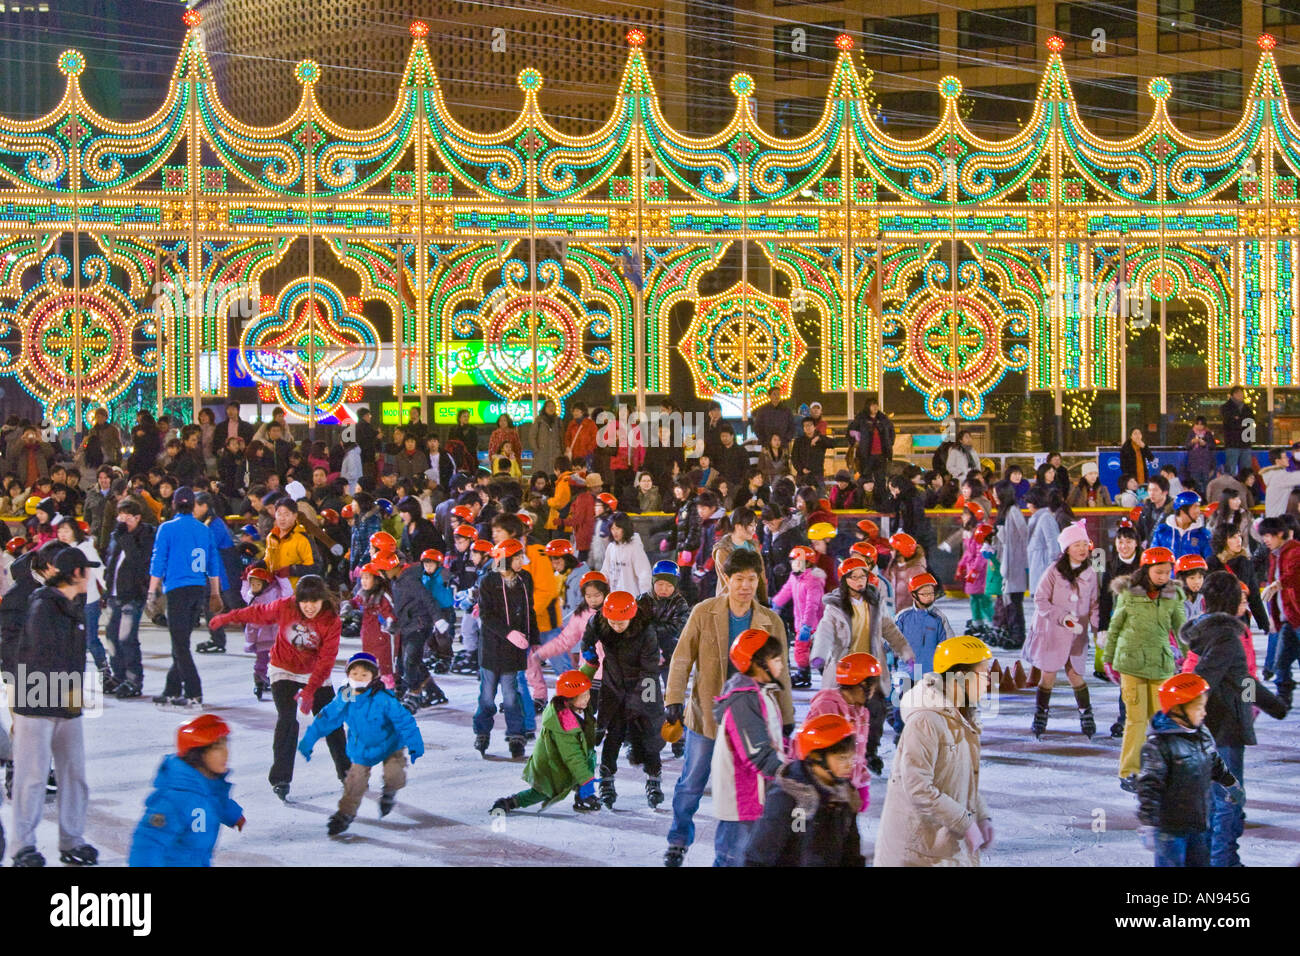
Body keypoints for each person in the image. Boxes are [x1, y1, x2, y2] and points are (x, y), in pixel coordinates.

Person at [663, 548, 791, 867]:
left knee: (746, 791)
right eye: (738, 579)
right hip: (706, 715)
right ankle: (678, 838)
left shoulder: (770, 620)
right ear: (726, 579)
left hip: (750, 720)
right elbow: (681, 657)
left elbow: (782, 671)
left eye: (751, 579)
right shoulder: (704, 612)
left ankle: (739, 852)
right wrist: (674, 699)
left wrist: (787, 719)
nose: (745, 586)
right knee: (692, 782)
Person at [210, 575, 350, 801]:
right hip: (283, 669)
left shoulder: (331, 620)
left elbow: (326, 660)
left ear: (323, 600)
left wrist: (311, 690)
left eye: (315, 601)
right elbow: (256, 613)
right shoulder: (286, 606)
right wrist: (227, 617)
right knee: (287, 720)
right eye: (305, 601)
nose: (309, 607)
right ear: (298, 600)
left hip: (314, 673)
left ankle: (347, 773)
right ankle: (281, 778)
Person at [1181, 571, 1288, 866]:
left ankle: (1216, 858)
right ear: (1228, 600)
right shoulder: (1227, 637)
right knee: (1229, 798)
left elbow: (1241, 681)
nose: (1246, 601)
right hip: (1224, 727)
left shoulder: (1212, 632)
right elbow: (1205, 679)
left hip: (1214, 728)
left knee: (1218, 797)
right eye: (1241, 597)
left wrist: (1275, 706)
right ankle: (1223, 860)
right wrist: (1275, 705)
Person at [8, 547, 100, 867]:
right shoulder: (44, 605)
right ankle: (23, 846)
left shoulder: (75, 605)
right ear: (76, 573)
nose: (90, 575)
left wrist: (76, 701)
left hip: (67, 700)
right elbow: (35, 656)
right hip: (39, 701)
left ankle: (72, 840)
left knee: (74, 774)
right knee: (32, 776)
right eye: (86, 570)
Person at [874, 636, 995, 867]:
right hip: (916, 852)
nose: (988, 683)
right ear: (960, 678)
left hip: (943, 847)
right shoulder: (925, 721)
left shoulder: (961, 718)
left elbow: (960, 778)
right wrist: (966, 822)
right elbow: (918, 788)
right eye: (984, 675)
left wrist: (981, 815)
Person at [298, 652, 425, 835]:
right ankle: (344, 815)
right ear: (348, 675)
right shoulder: (346, 697)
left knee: (395, 774)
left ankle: (389, 793)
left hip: (389, 745)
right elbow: (326, 718)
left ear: (373, 677)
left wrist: (415, 744)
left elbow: (404, 721)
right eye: (354, 674)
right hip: (362, 748)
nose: (358, 679)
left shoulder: (383, 698)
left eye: (364, 675)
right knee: (355, 783)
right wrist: (308, 741)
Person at [1135, 673, 1243, 867]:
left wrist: (1231, 783)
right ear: (1178, 709)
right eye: (1199, 707)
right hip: (1169, 830)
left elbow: (1213, 761)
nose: (1204, 713)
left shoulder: (1201, 733)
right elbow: (1149, 787)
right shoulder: (1159, 745)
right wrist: (1149, 824)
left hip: (1198, 823)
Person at [1104, 546, 1186, 791]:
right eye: (1159, 572)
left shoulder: (1173, 594)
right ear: (1147, 569)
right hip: (1131, 663)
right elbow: (1115, 626)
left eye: (1167, 572)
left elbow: (1181, 630)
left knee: (1161, 720)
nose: (1163, 576)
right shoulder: (1129, 593)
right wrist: (1108, 659)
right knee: (1136, 720)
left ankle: (1157, 767)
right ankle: (1129, 771)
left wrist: (1191, 657)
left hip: (1161, 665)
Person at [580, 590, 665, 809]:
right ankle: (606, 780)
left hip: (643, 683)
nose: (616, 626)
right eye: (613, 622)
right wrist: (588, 651)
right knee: (614, 732)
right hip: (613, 684)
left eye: (621, 622)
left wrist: (640, 704)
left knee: (649, 732)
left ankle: (654, 779)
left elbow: (650, 670)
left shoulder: (646, 632)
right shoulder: (599, 622)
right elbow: (587, 638)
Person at [744, 713, 864, 866]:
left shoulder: (844, 793)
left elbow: (851, 848)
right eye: (841, 758)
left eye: (851, 757)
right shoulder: (790, 797)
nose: (849, 764)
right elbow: (760, 853)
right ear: (816, 757)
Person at [710, 628, 787, 866]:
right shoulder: (744, 699)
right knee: (732, 858)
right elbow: (757, 753)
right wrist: (789, 775)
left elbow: (771, 739)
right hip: (741, 797)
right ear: (757, 664)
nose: (782, 665)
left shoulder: (760, 693)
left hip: (755, 794)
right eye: (776, 660)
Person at [128, 715, 245, 866]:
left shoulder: (209, 785)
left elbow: (216, 799)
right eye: (217, 747)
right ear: (198, 754)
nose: (226, 753)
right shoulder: (175, 800)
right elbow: (147, 844)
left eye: (225, 744)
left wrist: (233, 815)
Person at [146, 487, 223, 708]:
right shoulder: (203, 529)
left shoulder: (167, 528)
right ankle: (171, 689)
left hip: (177, 590)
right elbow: (213, 563)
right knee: (181, 642)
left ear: (173, 504)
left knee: (180, 646)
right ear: (192, 506)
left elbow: (158, 561)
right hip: (198, 589)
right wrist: (215, 592)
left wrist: (152, 592)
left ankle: (194, 692)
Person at [1025, 522, 1100, 739]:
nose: (1082, 548)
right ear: (1067, 548)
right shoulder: (1054, 572)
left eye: (1085, 544)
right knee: (1048, 675)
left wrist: (1098, 630)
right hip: (1053, 633)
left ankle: (1086, 714)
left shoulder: (1091, 573)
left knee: (1076, 676)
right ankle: (1041, 714)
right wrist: (1062, 618)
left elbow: (1094, 604)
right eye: (1076, 544)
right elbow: (1040, 599)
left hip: (1077, 635)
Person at [491, 669, 602, 814]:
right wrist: (587, 780)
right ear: (570, 698)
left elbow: (580, 677)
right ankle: (511, 802)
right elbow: (573, 756)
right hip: (551, 767)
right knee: (543, 792)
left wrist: (590, 664)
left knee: (588, 759)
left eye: (588, 693)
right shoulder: (564, 723)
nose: (588, 698)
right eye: (584, 695)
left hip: (569, 760)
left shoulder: (573, 703)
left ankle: (582, 794)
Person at [474, 538, 539, 759]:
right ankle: (482, 732)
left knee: (511, 696)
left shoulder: (524, 580)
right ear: (505, 560)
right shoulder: (488, 582)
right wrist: (508, 633)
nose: (521, 561)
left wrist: (534, 638)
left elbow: (530, 610)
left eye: (521, 556)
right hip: (492, 648)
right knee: (487, 696)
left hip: (514, 651)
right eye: (517, 557)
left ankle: (516, 736)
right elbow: (486, 615)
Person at [805, 652, 877, 811]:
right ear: (862, 685)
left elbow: (858, 754)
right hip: (825, 794)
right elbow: (811, 753)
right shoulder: (827, 707)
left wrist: (862, 785)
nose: (874, 691)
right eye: (873, 685)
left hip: (846, 794)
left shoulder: (862, 713)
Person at [102, 499, 156, 699]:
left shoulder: (147, 536)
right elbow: (111, 562)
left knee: (127, 638)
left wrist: (124, 537)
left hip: (133, 595)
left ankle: (134, 679)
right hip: (114, 594)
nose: (122, 521)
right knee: (111, 636)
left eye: (127, 518)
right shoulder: (117, 536)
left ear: (137, 518)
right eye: (120, 517)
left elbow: (138, 563)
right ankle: (118, 676)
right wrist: (107, 589)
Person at [772, 544, 828, 690]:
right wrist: (776, 604)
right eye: (792, 562)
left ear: (807, 563)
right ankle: (805, 675)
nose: (793, 565)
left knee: (814, 652)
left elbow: (812, 604)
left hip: (813, 625)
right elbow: (786, 591)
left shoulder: (812, 580)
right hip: (800, 622)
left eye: (797, 562)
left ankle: (826, 676)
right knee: (802, 650)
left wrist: (807, 625)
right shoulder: (795, 577)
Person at [1258, 516, 1300, 707]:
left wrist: (1277, 585)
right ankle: (1283, 698)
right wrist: (1273, 619)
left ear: (1280, 534)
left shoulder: (1294, 552)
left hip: (1297, 617)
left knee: (1282, 660)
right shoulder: (1275, 555)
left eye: (1268, 535)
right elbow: (1274, 594)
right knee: (1281, 662)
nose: (1265, 540)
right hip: (1287, 619)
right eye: (1263, 536)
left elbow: (1295, 575)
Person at [1149, 491, 1211, 560]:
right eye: (1195, 506)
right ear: (1182, 509)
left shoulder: (1203, 534)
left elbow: (1209, 560)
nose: (1198, 511)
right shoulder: (1162, 531)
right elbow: (1153, 558)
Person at [849, 396, 895, 487]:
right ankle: (866, 499)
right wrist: (857, 442)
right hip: (866, 455)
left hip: (881, 455)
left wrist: (889, 444)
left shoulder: (883, 419)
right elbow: (850, 432)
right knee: (866, 479)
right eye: (872, 405)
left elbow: (891, 432)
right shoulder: (861, 419)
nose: (875, 407)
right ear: (867, 406)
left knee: (881, 480)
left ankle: (880, 499)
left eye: (876, 405)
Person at [1219, 385, 1254, 477]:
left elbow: (1250, 421)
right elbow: (1229, 422)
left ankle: (1246, 488)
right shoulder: (1226, 407)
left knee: (1246, 470)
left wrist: (1238, 420)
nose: (1241, 395)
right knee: (1231, 469)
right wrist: (1241, 422)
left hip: (1245, 442)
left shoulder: (1247, 408)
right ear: (1233, 395)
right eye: (1239, 393)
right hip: (1232, 443)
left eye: (1242, 393)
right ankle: (1232, 489)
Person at [752, 384, 798, 449]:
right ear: (769, 396)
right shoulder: (763, 410)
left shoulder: (786, 410)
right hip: (767, 445)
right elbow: (757, 427)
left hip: (783, 445)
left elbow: (792, 427)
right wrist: (765, 440)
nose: (777, 396)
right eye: (774, 394)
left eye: (778, 394)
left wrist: (786, 439)